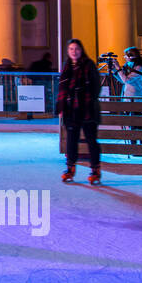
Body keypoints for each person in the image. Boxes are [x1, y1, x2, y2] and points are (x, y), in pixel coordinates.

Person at [57, 39, 103, 185]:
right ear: (68, 51)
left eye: (76, 49)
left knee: (91, 140)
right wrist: (61, 106)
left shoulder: (89, 65)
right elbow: (62, 88)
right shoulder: (67, 66)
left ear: (81, 50)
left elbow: (96, 86)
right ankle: (70, 168)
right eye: (71, 49)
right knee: (71, 140)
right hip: (72, 109)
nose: (74, 52)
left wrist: (89, 101)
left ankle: (95, 169)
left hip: (87, 109)